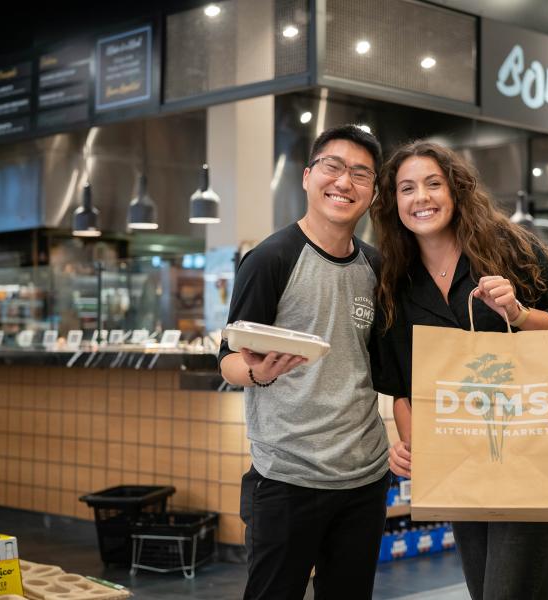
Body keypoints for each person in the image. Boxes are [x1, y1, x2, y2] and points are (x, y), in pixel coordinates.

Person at [370, 141, 548, 600]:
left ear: (455, 190)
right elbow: (404, 390)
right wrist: (412, 449)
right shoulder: (395, 282)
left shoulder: (508, 247)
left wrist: (517, 314)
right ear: (394, 202)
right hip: (464, 467)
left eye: (433, 184)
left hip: (530, 456)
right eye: (407, 188)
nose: (422, 198)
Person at [219, 124, 390, 600]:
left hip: (365, 477)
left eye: (361, 174)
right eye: (333, 167)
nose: (344, 182)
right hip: (287, 476)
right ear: (308, 176)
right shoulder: (271, 258)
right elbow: (229, 360)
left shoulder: (376, 268)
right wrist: (258, 372)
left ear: (373, 192)